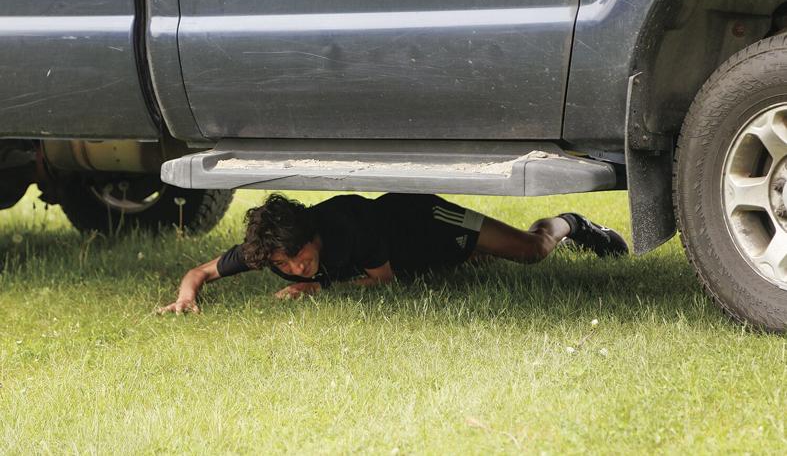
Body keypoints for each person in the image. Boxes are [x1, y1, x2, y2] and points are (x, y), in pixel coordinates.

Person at [156, 193, 628, 314]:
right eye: (284, 265)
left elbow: (381, 281)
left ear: (312, 236)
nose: (295, 266)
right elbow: (199, 270)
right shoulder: (267, 249)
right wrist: (186, 297)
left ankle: (574, 223)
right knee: (470, 265)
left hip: (426, 220)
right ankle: (475, 256)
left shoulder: (348, 230)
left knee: (528, 250)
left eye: (299, 257)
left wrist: (314, 287)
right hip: (414, 255)